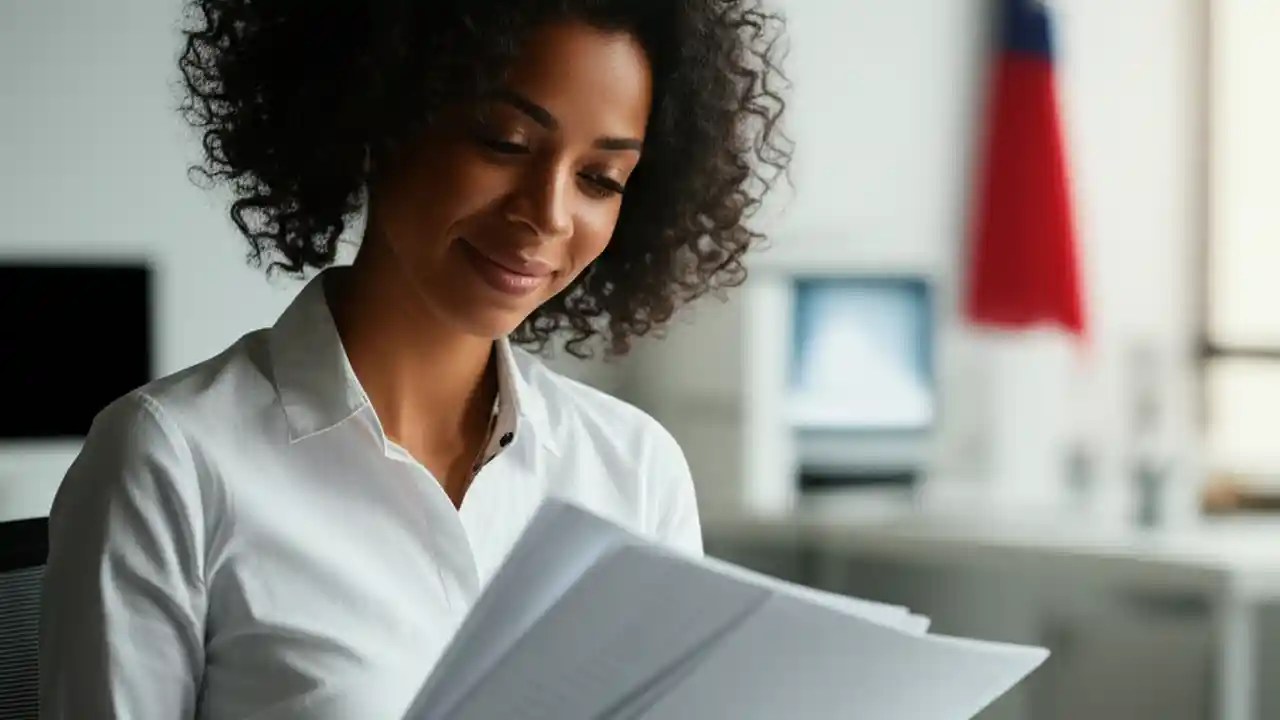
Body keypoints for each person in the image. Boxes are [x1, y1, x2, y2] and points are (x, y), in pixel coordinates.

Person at [39, 0, 789, 717]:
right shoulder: (171, 462)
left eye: (600, 179)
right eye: (504, 142)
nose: (548, 214)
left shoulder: (635, 470)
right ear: (379, 115)